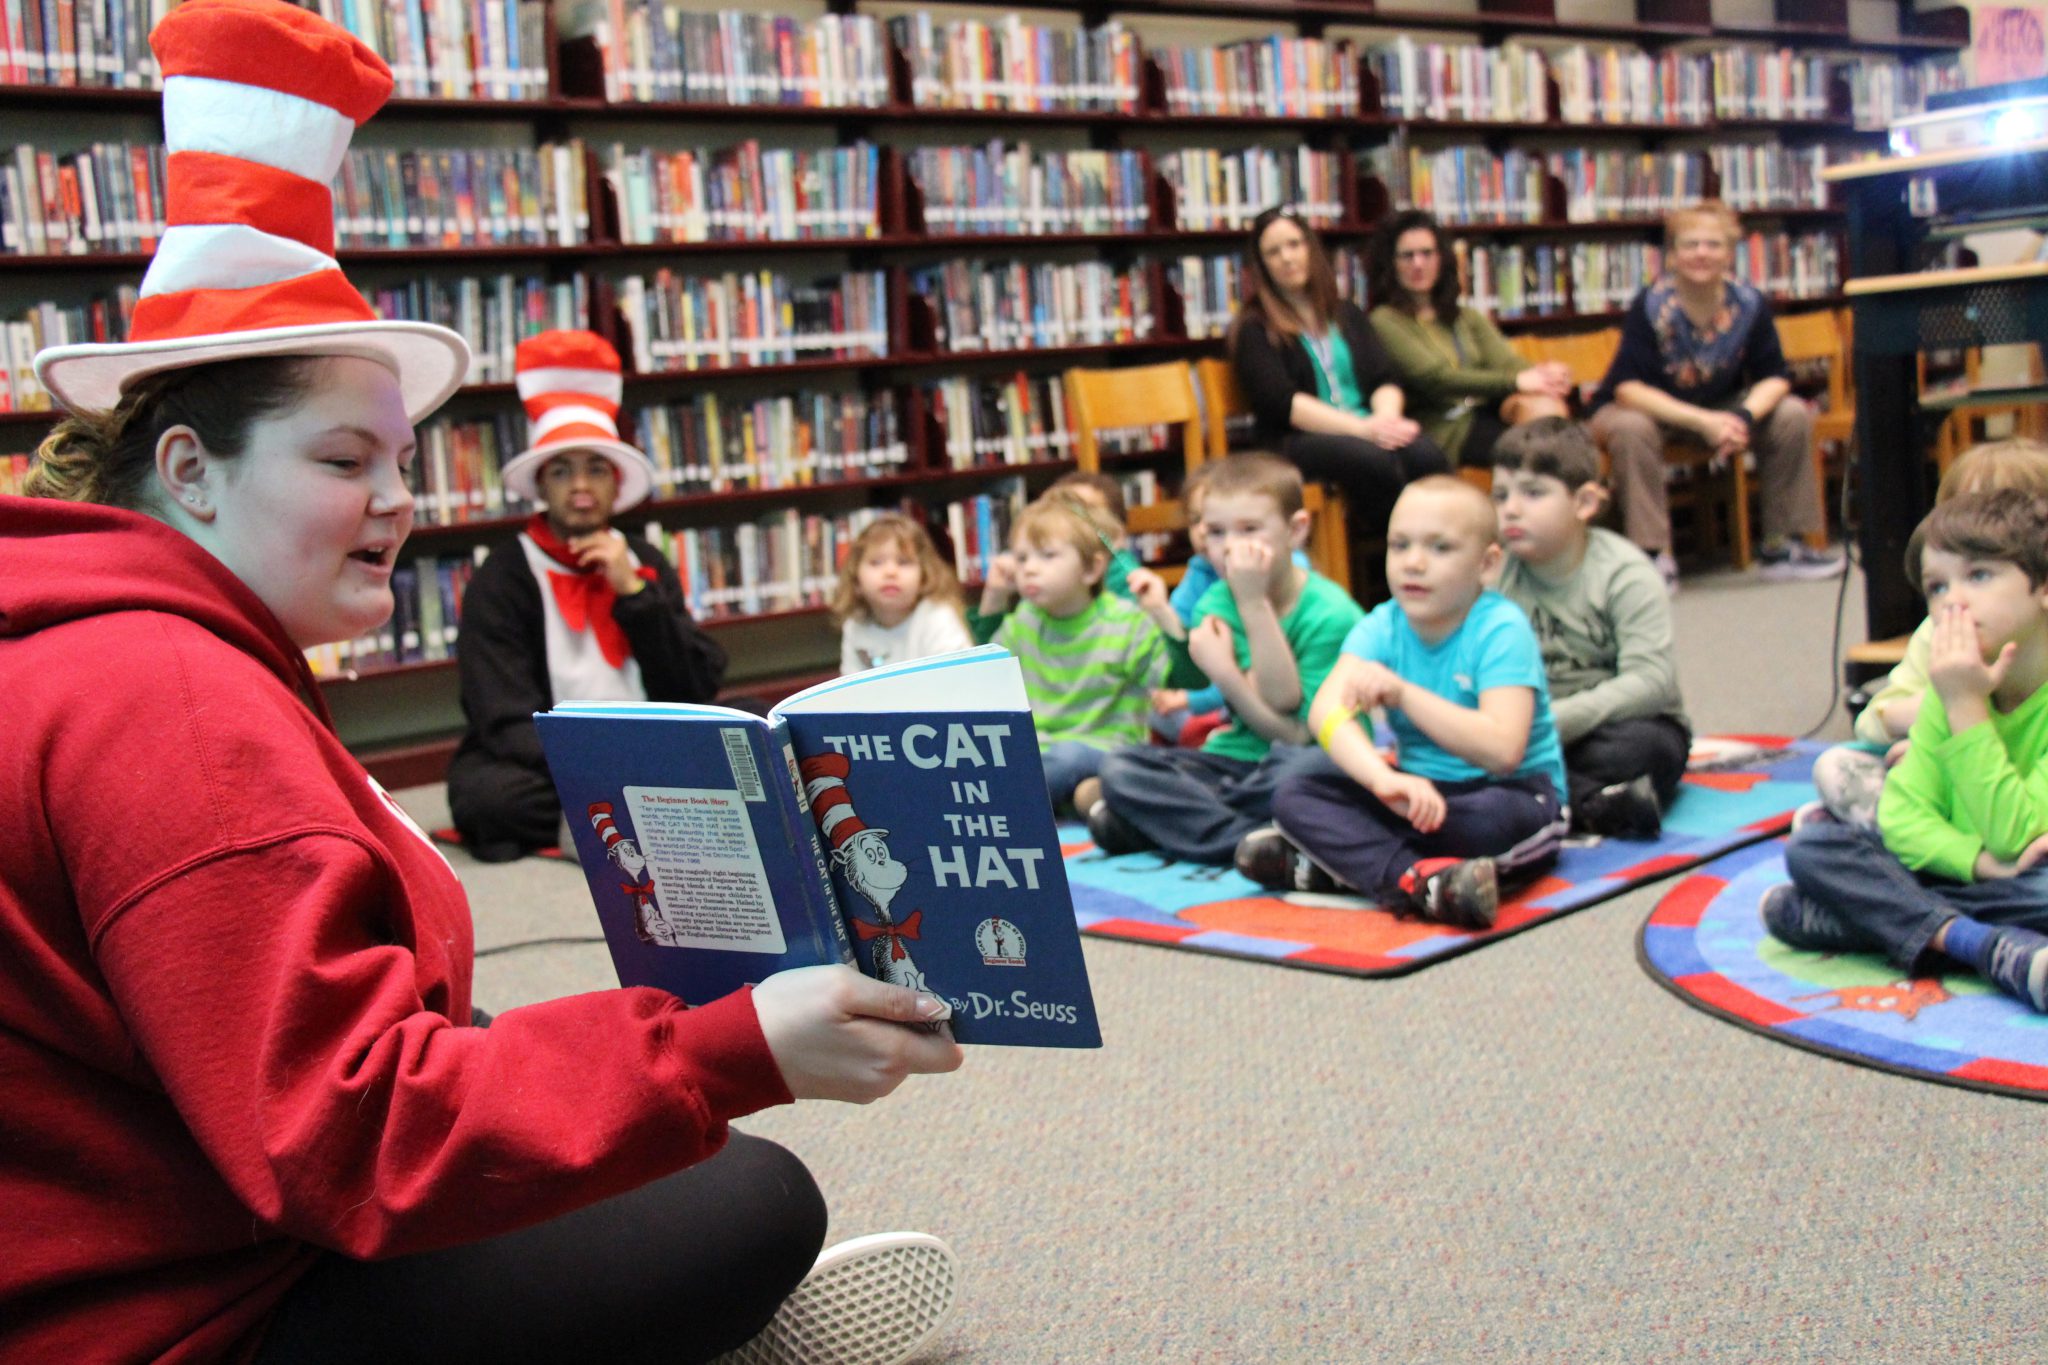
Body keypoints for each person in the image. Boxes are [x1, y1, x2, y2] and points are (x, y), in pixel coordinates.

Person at [0, 4, 961, 1361]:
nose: (398, 503)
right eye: (345, 462)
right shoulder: (172, 703)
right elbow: (350, 1137)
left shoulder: (89, 637)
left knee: (550, 1070)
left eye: (401, 463)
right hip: (176, 1309)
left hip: (142, 1204)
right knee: (749, 1196)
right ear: (189, 472)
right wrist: (732, 1049)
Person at [446, 330, 727, 862]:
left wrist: (636, 594)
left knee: (749, 726)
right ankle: (646, 811)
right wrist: (593, 762)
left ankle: (600, 818)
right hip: (557, 760)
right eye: (562, 470)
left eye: (596, 469)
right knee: (486, 798)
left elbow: (693, 688)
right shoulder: (504, 574)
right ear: (542, 487)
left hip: (650, 741)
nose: (580, 486)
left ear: (616, 483)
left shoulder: (643, 557)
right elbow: (501, 714)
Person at [1764, 490, 2048, 1014]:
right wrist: (1982, 866)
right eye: (1937, 587)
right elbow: (1901, 816)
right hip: (1978, 871)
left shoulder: (1958, 687)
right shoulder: (1954, 678)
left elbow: (2016, 836)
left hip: (2027, 876)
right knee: (1813, 848)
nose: (1951, 603)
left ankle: (1865, 919)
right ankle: (1985, 947)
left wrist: (1966, 706)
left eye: (1979, 576)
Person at [1242, 477, 1568, 927]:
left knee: (1482, 822)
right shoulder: (1383, 625)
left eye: (1439, 548)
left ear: (1487, 564)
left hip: (1509, 795)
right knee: (1296, 789)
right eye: (1400, 545)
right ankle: (1419, 880)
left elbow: (1503, 750)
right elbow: (1325, 711)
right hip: (1417, 795)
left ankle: (1339, 866)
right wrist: (1380, 780)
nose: (1413, 563)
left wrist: (1404, 695)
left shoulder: (1500, 628)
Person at [1088, 454, 1364, 862]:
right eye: (1215, 532)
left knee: (1299, 778)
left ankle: (1175, 827)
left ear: (1296, 530)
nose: (1231, 547)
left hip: (1311, 759)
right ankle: (1257, 841)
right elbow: (1195, 691)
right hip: (1235, 765)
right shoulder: (1215, 602)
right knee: (1120, 767)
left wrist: (1236, 651)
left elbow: (1294, 731)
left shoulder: (1332, 614)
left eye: (1249, 529)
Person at [1586, 201, 1841, 590]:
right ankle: (1653, 556)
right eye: (1690, 245)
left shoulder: (1750, 304)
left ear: (1729, 252)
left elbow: (1774, 377)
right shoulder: (1650, 306)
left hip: (1719, 407)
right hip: (1647, 410)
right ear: (1672, 256)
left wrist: (1741, 418)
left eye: (1713, 244)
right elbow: (1627, 388)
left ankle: (1783, 546)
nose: (1701, 254)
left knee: (1791, 414)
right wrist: (1703, 422)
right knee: (1631, 428)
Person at [1808, 438, 2048, 828]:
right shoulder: (1940, 629)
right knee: (1838, 769)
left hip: (2024, 806)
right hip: (1964, 786)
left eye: (1982, 570)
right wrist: (1946, 714)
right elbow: (1872, 722)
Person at [1490, 418, 1691, 838]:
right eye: (1500, 495)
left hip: (1610, 726)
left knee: (1650, 749)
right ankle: (1591, 802)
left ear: (1583, 503)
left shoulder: (1625, 573)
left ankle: (1542, 797)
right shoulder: (1495, 576)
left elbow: (1652, 681)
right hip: (1524, 730)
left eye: (1532, 493)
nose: (1510, 508)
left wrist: (1552, 722)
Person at [1229, 205, 1448, 588]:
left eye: (1294, 244)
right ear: (1261, 266)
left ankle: (1443, 553)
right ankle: (1396, 571)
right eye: (1273, 252)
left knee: (1424, 452)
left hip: (1366, 427)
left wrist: (1387, 420)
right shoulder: (1253, 328)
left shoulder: (1345, 313)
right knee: (1373, 461)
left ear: (1311, 249)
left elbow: (1384, 377)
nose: (1287, 257)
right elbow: (1283, 403)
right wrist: (1364, 429)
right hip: (1296, 440)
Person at [990, 496, 1170, 813]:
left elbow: (1173, 676)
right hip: (1038, 752)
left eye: (1047, 556)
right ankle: (1088, 801)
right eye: (1021, 558)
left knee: (1067, 758)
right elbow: (980, 680)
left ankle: (1002, 807)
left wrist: (1162, 614)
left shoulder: (1125, 622)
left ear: (1091, 569)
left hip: (1109, 749)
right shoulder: (1024, 621)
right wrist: (992, 599)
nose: (1029, 569)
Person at [1366, 209, 1574, 470]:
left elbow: (1506, 361)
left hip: (1487, 411)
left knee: (1546, 409)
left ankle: (1560, 500)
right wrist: (1517, 381)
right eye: (1407, 256)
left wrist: (1543, 376)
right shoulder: (1384, 320)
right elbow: (1437, 379)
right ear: (1390, 264)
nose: (1418, 264)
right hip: (1446, 428)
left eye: (1427, 253)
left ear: (1442, 259)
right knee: (1539, 448)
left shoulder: (1464, 316)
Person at [972, 470, 1141, 640]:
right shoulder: (1031, 609)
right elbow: (989, 659)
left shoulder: (1126, 582)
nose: (1030, 568)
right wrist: (994, 598)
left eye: (1082, 512)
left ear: (1115, 534)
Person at [833, 512, 974, 674]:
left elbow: (957, 682)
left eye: (904, 562)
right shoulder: (855, 625)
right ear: (856, 579)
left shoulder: (937, 618)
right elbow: (851, 689)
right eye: (876, 562)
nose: (890, 572)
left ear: (924, 577)